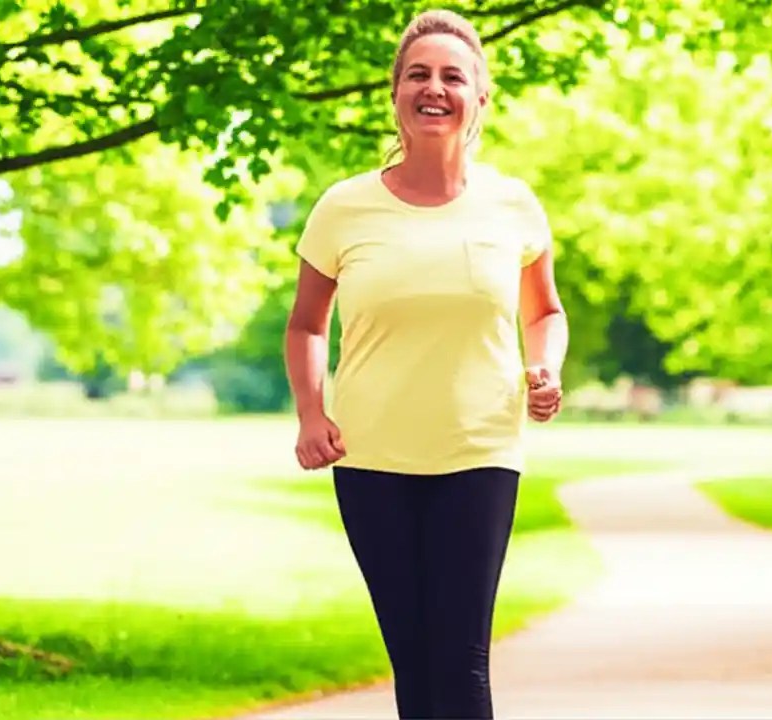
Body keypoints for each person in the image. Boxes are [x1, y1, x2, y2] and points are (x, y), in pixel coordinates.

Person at [283, 8, 569, 720]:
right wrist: (311, 414)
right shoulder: (343, 208)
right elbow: (306, 325)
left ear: (479, 98)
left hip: (480, 450)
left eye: (452, 76)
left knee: (462, 657)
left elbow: (544, 312)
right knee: (413, 658)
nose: (433, 88)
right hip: (372, 456)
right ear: (396, 96)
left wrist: (546, 368)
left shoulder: (512, 206)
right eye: (418, 75)